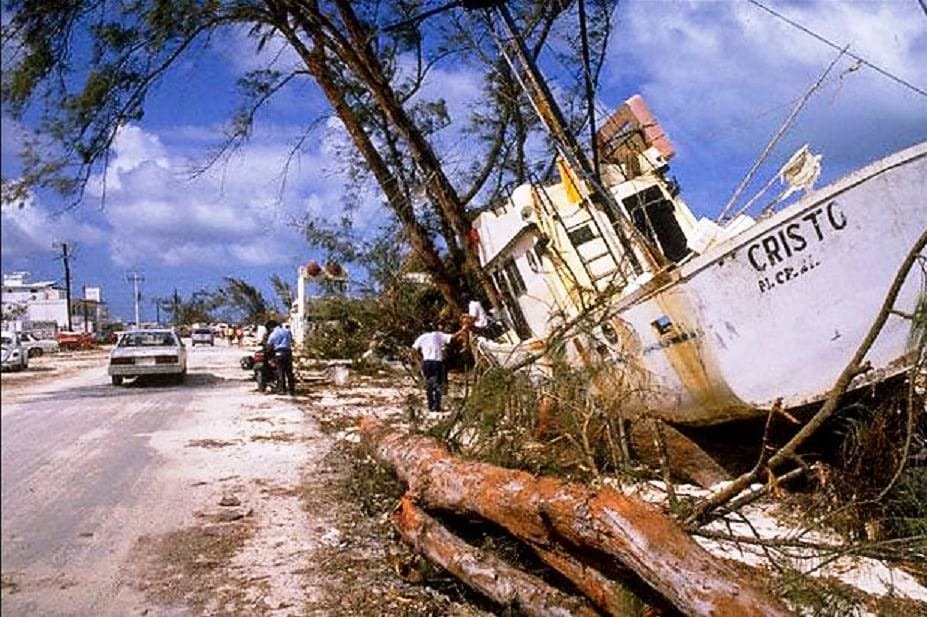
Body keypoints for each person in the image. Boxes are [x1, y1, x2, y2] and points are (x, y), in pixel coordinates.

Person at [411, 321, 466, 412]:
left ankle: (430, 405)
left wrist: (419, 359)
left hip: (427, 362)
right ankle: (437, 406)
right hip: (437, 362)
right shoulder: (438, 335)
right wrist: (463, 330)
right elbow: (453, 337)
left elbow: (414, 349)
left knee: (429, 384)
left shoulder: (422, 337)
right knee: (438, 384)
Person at [266, 320, 296, 395]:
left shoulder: (273, 334)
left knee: (280, 372)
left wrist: (269, 357)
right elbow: (291, 341)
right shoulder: (287, 331)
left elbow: (269, 346)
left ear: (271, 327)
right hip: (288, 352)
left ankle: (282, 390)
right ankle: (291, 390)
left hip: (279, 353)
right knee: (289, 372)